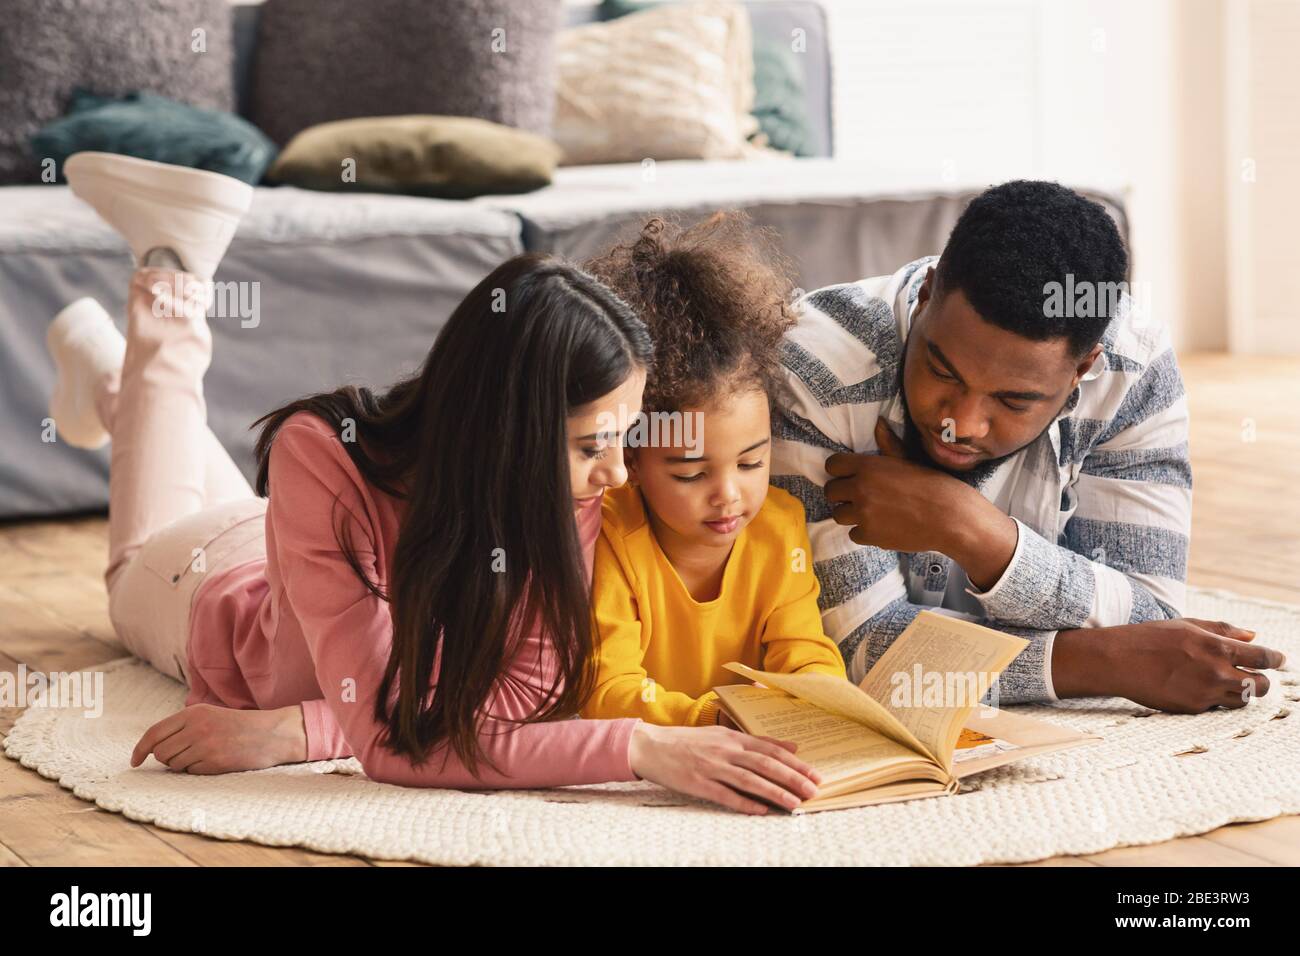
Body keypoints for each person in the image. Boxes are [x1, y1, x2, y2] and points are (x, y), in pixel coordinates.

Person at [45, 152, 822, 815]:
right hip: (214, 575)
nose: (618, 475)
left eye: (624, 441)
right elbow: (388, 740)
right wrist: (642, 747)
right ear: (507, 431)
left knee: (211, 491)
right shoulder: (322, 456)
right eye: (593, 444)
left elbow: (517, 706)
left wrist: (311, 727)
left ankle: (107, 373)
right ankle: (170, 275)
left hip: (299, 547)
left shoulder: (572, 499)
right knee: (131, 564)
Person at [769, 179, 1285, 714]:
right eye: (941, 370)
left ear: (1083, 369)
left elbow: (1151, 615)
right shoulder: (815, 373)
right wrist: (1102, 662)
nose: (961, 424)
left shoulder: (1133, 369)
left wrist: (977, 533)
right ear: (926, 296)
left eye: (1013, 401)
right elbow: (868, 659)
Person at [579, 214, 846, 728]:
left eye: (752, 462)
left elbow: (804, 650)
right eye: (690, 473)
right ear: (630, 458)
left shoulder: (779, 524)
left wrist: (825, 700)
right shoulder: (609, 531)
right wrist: (713, 718)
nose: (729, 495)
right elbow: (608, 692)